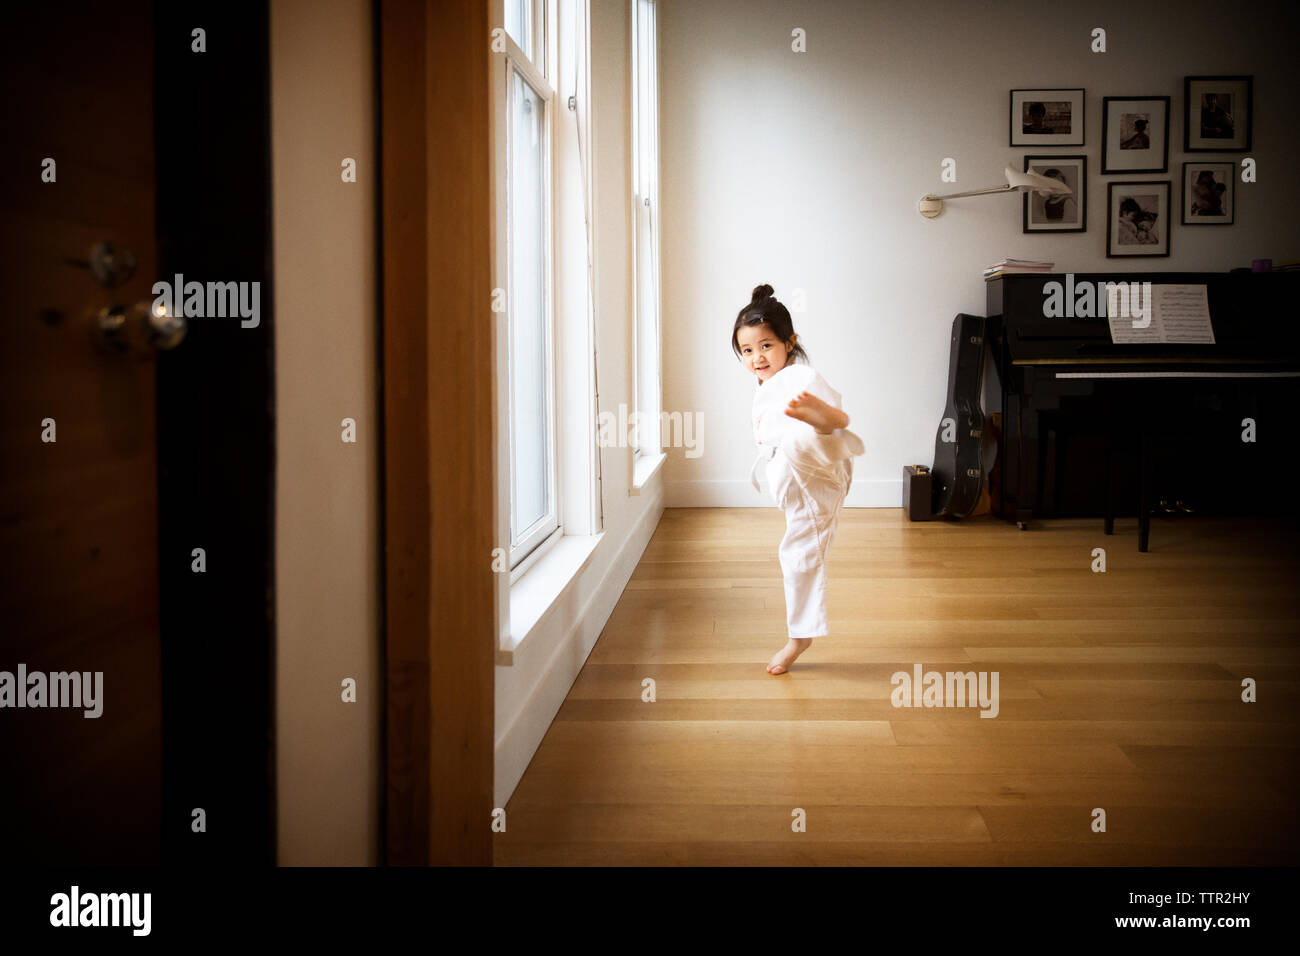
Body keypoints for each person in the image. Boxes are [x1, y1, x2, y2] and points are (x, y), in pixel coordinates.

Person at [732, 284, 864, 675]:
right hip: (797, 472)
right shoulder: (772, 381)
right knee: (796, 551)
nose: (757, 357)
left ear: (790, 342)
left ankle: (799, 636)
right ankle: (821, 426)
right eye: (747, 350)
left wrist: (826, 418)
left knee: (798, 556)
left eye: (766, 346)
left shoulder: (800, 376)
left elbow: (841, 417)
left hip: (813, 472)